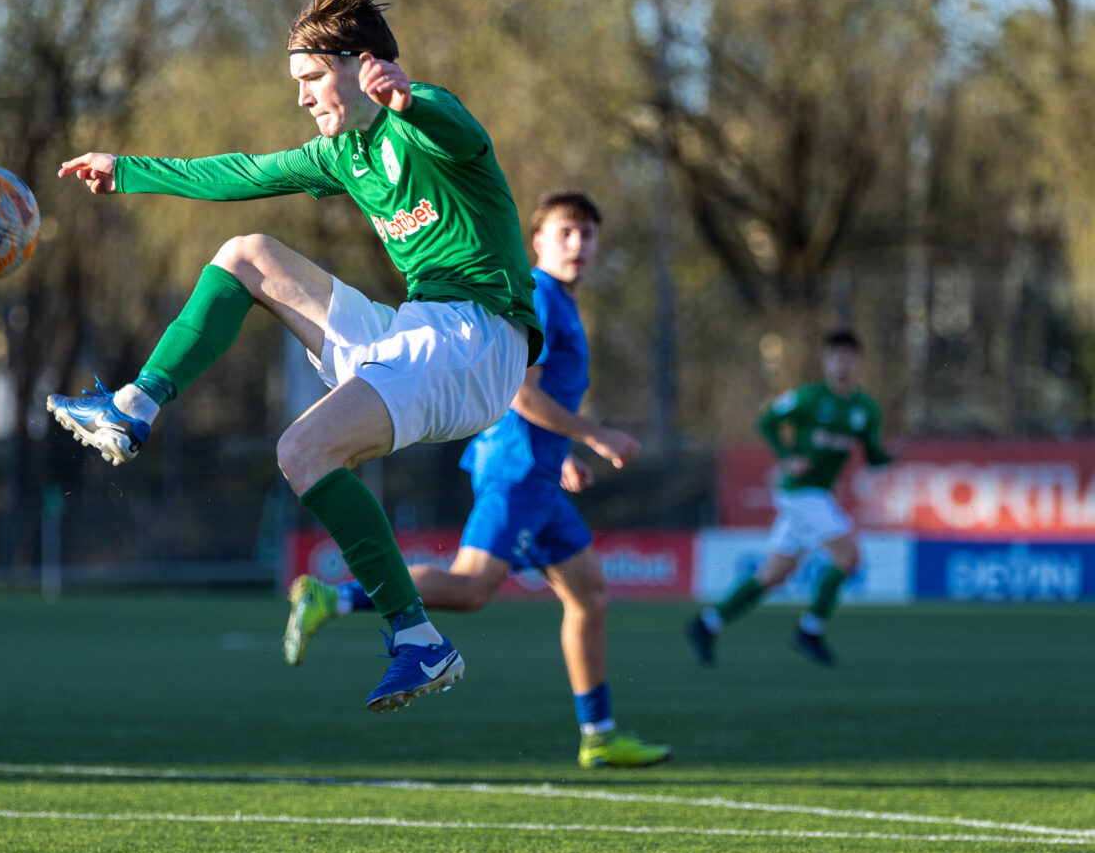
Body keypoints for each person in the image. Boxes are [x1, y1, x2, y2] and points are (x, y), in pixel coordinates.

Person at [51, 0, 542, 713]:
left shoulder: (422, 116)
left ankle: (418, 641)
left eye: (313, 76)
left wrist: (406, 97)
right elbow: (242, 172)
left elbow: (459, 132)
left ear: (358, 67)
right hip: (421, 328)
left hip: (480, 336)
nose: (304, 94)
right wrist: (127, 171)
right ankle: (133, 407)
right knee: (246, 253)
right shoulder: (341, 154)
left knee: (301, 451)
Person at [285, 191, 671, 768]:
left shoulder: (558, 301)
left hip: (538, 474)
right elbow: (522, 391)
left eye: (588, 234)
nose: (579, 244)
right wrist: (595, 435)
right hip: (515, 473)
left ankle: (599, 732)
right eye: (565, 232)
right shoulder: (538, 293)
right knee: (469, 589)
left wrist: (561, 453)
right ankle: (333, 597)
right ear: (537, 241)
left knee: (589, 593)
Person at [685, 330, 892, 667]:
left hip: (818, 495)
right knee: (849, 557)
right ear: (826, 362)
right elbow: (766, 420)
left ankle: (706, 624)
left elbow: (873, 456)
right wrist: (786, 456)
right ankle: (809, 630)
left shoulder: (864, 408)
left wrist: (889, 456)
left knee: (774, 575)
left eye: (849, 358)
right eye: (836, 357)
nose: (843, 364)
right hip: (800, 492)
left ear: (859, 363)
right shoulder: (810, 398)